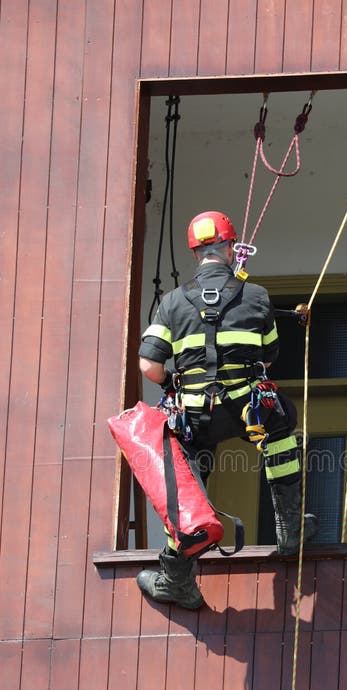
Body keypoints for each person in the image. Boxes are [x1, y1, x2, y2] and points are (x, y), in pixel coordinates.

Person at [136, 210, 318, 609]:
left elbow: (148, 366)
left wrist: (174, 385)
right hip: (246, 408)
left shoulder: (171, 302)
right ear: (232, 248)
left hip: (194, 417)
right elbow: (267, 358)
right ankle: (290, 531)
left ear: (196, 253)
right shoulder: (255, 296)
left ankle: (177, 577)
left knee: (185, 483)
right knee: (281, 424)